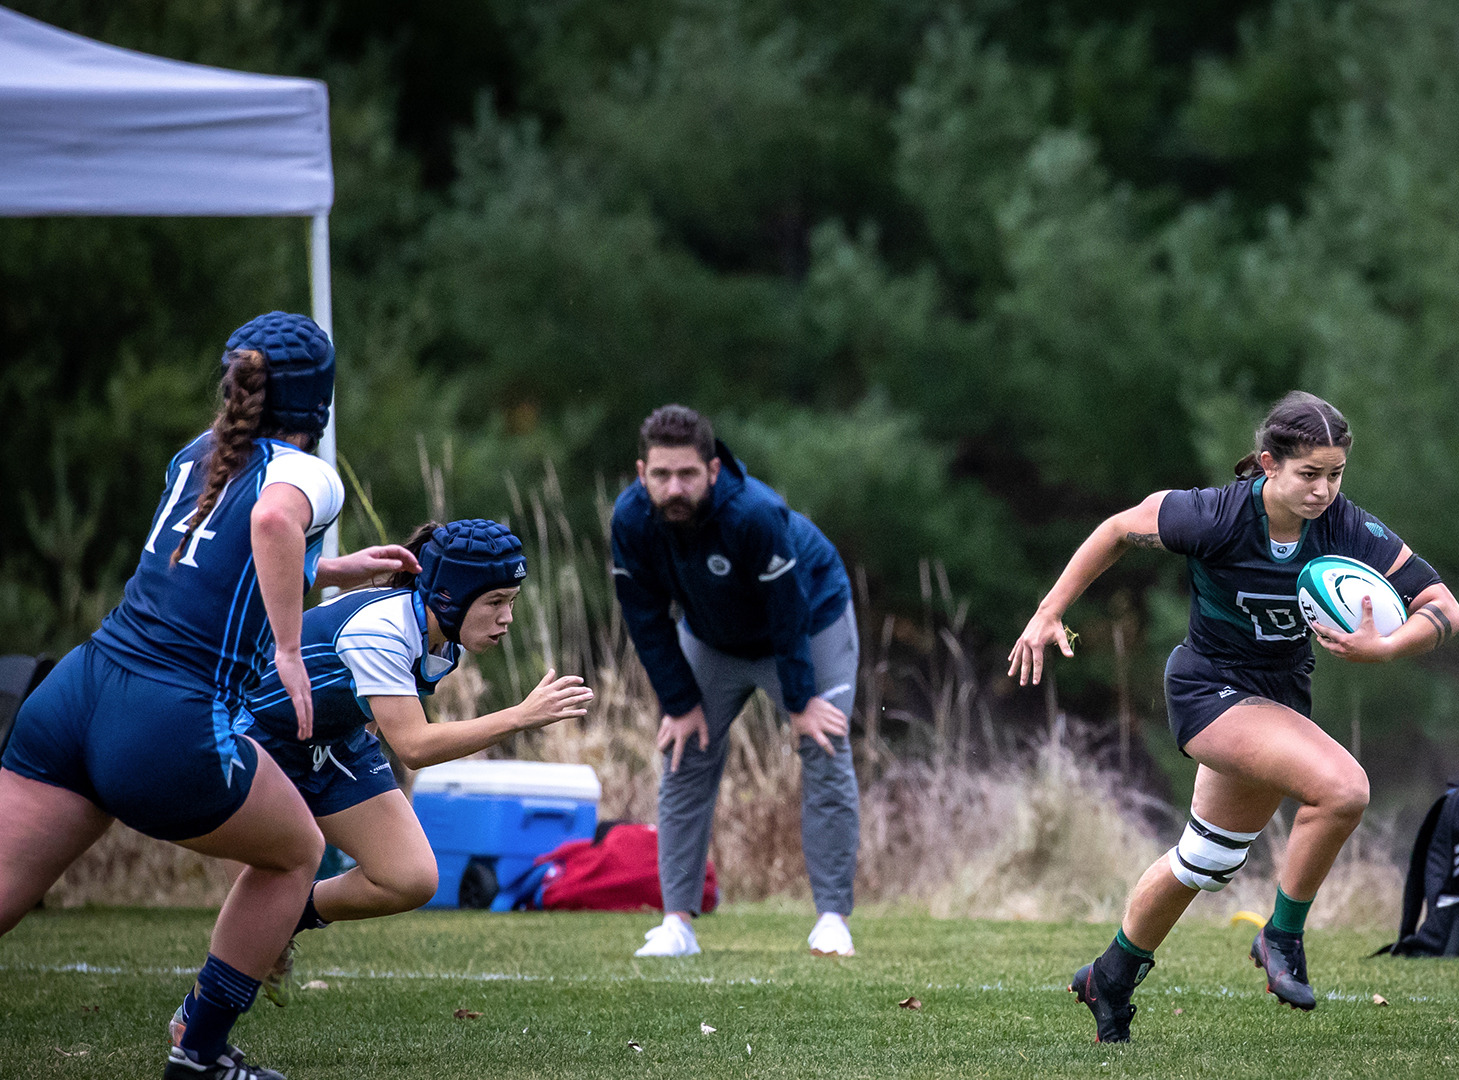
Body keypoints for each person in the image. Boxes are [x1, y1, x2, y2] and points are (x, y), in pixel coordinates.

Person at [0, 313, 421, 1080]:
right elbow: (272, 520)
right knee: (296, 853)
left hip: (75, 691)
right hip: (164, 717)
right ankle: (198, 1054)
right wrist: (288, 651)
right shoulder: (308, 473)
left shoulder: (197, 453)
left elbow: (211, 560)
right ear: (319, 398)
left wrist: (329, 569)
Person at [1009, 391, 1459, 1043]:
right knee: (1344, 790)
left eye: (1336, 474)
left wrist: (1388, 645)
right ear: (1268, 464)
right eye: (1309, 474)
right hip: (1209, 690)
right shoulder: (1214, 515)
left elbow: (1443, 606)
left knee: (1207, 859)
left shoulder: (1345, 527)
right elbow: (1116, 530)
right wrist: (1048, 612)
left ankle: (1110, 975)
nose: (1323, 490)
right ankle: (1282, 938)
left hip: (1279, 699)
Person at [179, 518, 591, 1022]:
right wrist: (520, 716)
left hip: (333, 744)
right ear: (450, 597)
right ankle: (193, 1028)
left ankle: (293, 912)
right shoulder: (383, 629)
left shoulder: (442, 638)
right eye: (495, 602)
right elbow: (414, 746)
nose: (507, 618)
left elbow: (367, 703)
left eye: (512, 601)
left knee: (411, 878)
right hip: (252, 742)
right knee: (252, 941)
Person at [610, 405, 860, 958]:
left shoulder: (755, 513)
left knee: (824, 744)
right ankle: (677, 924)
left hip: (808, 623)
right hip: (713, 638)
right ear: (642, 473)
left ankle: (832, 920)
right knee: (683, 752)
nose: (674, 488)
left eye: (687, 474)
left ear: (713, 469)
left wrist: (800, 701)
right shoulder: (630, 519)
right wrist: (679, 703)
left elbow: (787, 611)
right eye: (661, 475)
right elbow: (643, 615)